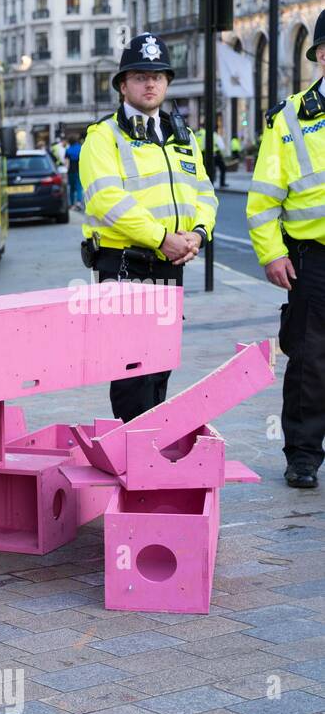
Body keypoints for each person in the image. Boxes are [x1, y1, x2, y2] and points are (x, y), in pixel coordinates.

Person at [79, 32, 217, 422]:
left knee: (159, 367)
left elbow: (204, 193)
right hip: (125, 266)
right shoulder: (103, 137)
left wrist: (197, 234)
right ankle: (132, 452)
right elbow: (106, 200)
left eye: (158, 75)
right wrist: (163, 239)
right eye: (140, 76)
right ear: (123, 85)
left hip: (169, 265)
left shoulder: (182, 137)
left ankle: (150, 452)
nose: (150, 83)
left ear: (168, 82)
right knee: (130, 372)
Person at [246, 8, 325, 489]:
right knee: (311, 362)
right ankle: (303, 457)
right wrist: (273, 253)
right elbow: (261, 200)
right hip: (312, 260)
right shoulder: (291, 117)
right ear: (319, 55)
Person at [65, 134, 84, 208]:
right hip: (79, 170)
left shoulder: (68, 150)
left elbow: (66, 163)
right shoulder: (80, 148)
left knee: (72, 189)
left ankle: (72, 204)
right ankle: (79, 202)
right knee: (79, 187)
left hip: (71, 171)